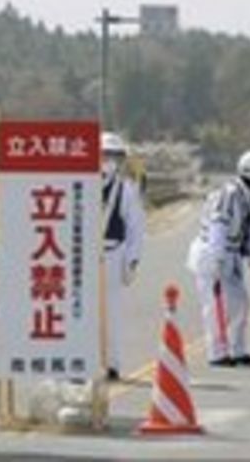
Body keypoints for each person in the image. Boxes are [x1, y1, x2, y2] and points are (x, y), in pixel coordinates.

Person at [187, 149, 250, 367]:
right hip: (212, 254)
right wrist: (217, 260)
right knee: (215, 307)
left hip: (232, 253)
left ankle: (238, 350)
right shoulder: (228, 194)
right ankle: (217, 353)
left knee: (240, 304)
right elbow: (219, 225)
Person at [100, 132, 146, 382]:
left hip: (113, 254)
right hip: (83, 257)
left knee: (112, 313)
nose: (110, 161)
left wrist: (132, 260)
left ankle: (112, 364)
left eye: (115, 156)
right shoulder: (80, 183)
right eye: (105, 155)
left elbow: (136, 227)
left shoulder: (126, 188)